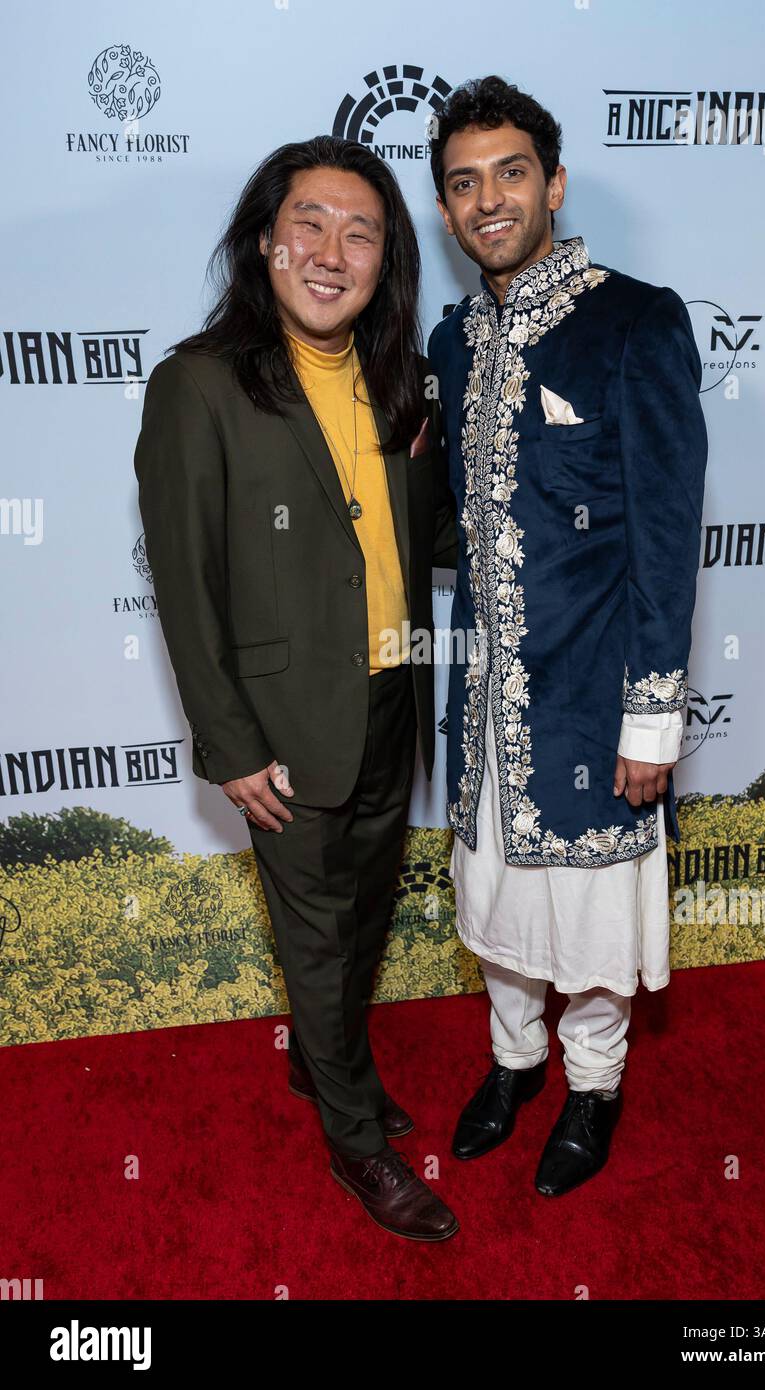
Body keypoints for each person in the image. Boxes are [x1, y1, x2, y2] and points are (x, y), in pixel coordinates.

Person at [134, 136, 459, 1241]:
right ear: (264, 239)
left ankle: (324, 1069)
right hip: (282, 723)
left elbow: (425, 536)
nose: (331, 251)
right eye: (308, 224)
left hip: (386, 702)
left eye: (359, 231)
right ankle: (356, 1143)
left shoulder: (400, 382)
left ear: (386, 257)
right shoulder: (198, 384)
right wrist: (227, 743)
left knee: (362, 913)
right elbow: (186, 583)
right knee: (318, 933)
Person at [427, 77, 708, 1196]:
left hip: (596, 694)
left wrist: (653, 717)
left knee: (588, 915)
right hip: (482, 695)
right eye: (461, 182)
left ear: (551, 182)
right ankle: (512, 1061)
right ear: (445, 209)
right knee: (495, 898)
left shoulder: (634, 321)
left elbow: (665, 530)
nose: (486, 199)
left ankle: (592, 1083)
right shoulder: (451, 343)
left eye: (507, 173)